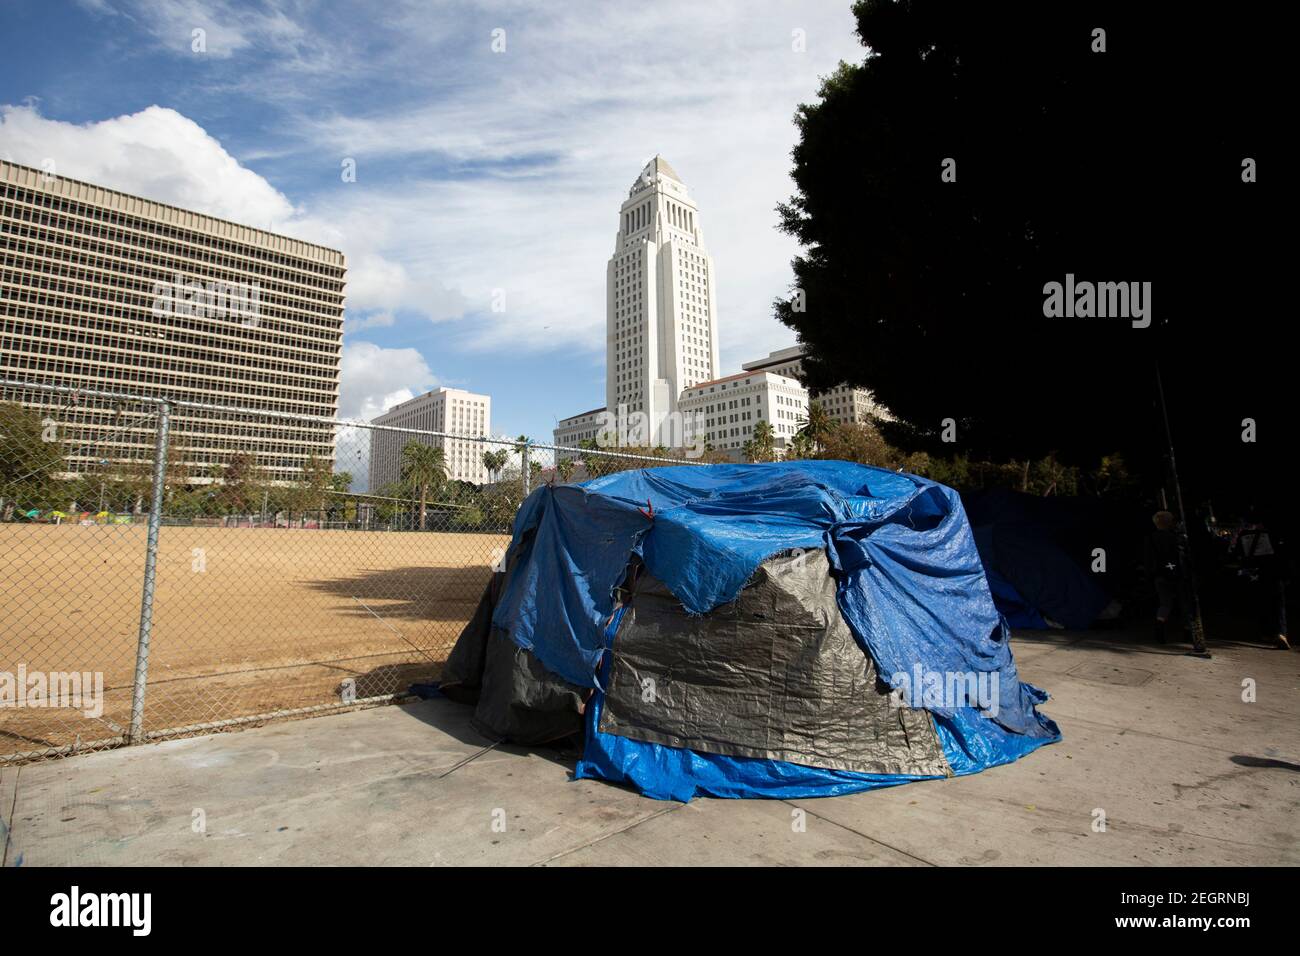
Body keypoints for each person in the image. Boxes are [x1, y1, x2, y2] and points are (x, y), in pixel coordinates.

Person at [1145, 510, 1183, 645]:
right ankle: (1187, 628)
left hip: (1159, 574)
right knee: (1183, 600)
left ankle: (1160, 626)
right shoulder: (1175, 537)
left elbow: (1149, 558)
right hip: (1175, 572)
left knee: (1165, 603)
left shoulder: (1151, 538)